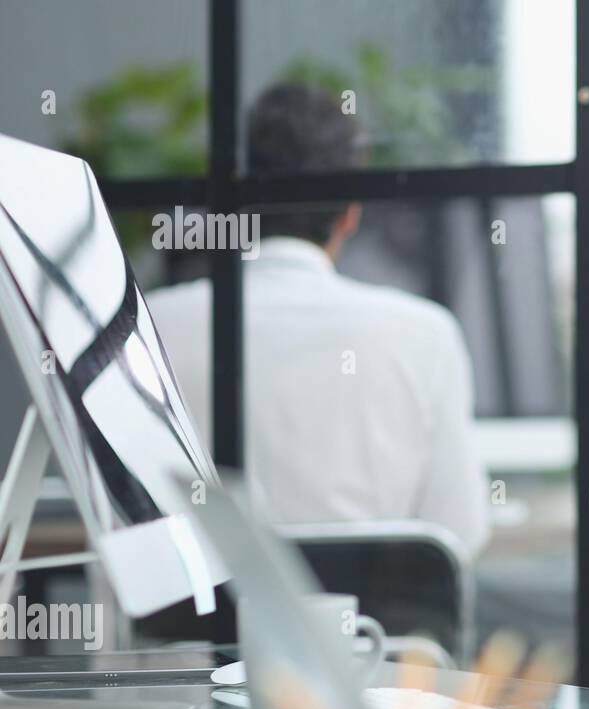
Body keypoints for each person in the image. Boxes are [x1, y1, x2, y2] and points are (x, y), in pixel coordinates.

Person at [148, 83, 490, 559]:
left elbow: (132, 529)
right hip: (376, 630)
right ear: (350, 214)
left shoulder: (153, 324)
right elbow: (457, 536)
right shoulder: (426, 335)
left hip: (200, 631)